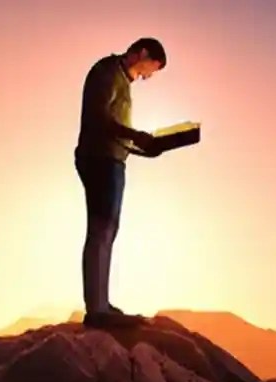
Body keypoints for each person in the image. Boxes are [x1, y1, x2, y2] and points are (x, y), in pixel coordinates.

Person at [73, 37, 167, 329]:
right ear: (141, 53)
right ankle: (96, 309)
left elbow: (114, 129)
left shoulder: (122, 81)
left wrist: (142, 147)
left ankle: (101, 302)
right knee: (100, 230)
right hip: (99, 159)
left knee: (108, 232)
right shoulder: (107, 72)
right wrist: (135, 135)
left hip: (113, 160)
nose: (148, 76)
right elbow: (99, 118)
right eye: (150, 69)